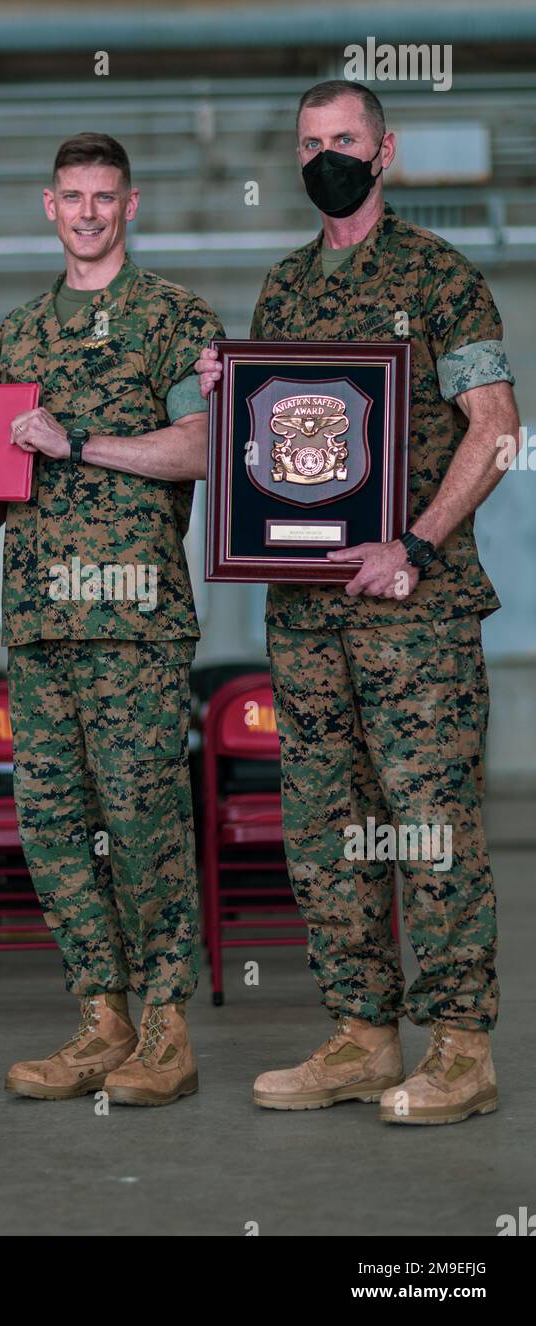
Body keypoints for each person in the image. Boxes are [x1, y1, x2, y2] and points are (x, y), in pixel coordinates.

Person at [197, 82, 519, 1126]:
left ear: (385, 152)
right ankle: (359, 1033)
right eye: (308, 143)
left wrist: (414, 542)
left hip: (410, 607)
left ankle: (459, 1049)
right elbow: (271, 445)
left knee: (427, 826)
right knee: (326, 827)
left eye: (344, 140)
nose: (325, 156)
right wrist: (224, 394)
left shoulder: (438, 275)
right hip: (302, 612)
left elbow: (495, 426)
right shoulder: (282, 288)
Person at [0, 133, 223, 1105]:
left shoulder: (172, 317)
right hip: (39, 620)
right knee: (51, 824)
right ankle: (101, 1019)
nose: (88, 211)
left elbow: (197, 449)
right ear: (46, 207)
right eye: (71, 196)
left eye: (105, 196)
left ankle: (167, 1032)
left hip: (133, 618)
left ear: (128, 207)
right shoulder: (19, 333)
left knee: (142, 823)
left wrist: (78, 439)